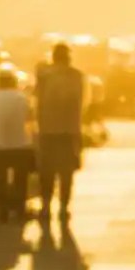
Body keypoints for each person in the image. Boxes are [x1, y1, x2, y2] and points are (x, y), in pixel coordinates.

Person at [35, 43, 85, 223]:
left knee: (46, 172)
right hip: (69, 130)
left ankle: (46, 206)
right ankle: (64, 207)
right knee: (67, 173)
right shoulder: (76, 76)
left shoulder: (44, 76)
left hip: (48, 130)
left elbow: (38, 102)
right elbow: (79, 106)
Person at [0, 69, 35, 223]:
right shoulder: (22, 98)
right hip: (20, 145)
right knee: (20, 179)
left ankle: (1, 210)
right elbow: (30, 118)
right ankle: (19, 210)